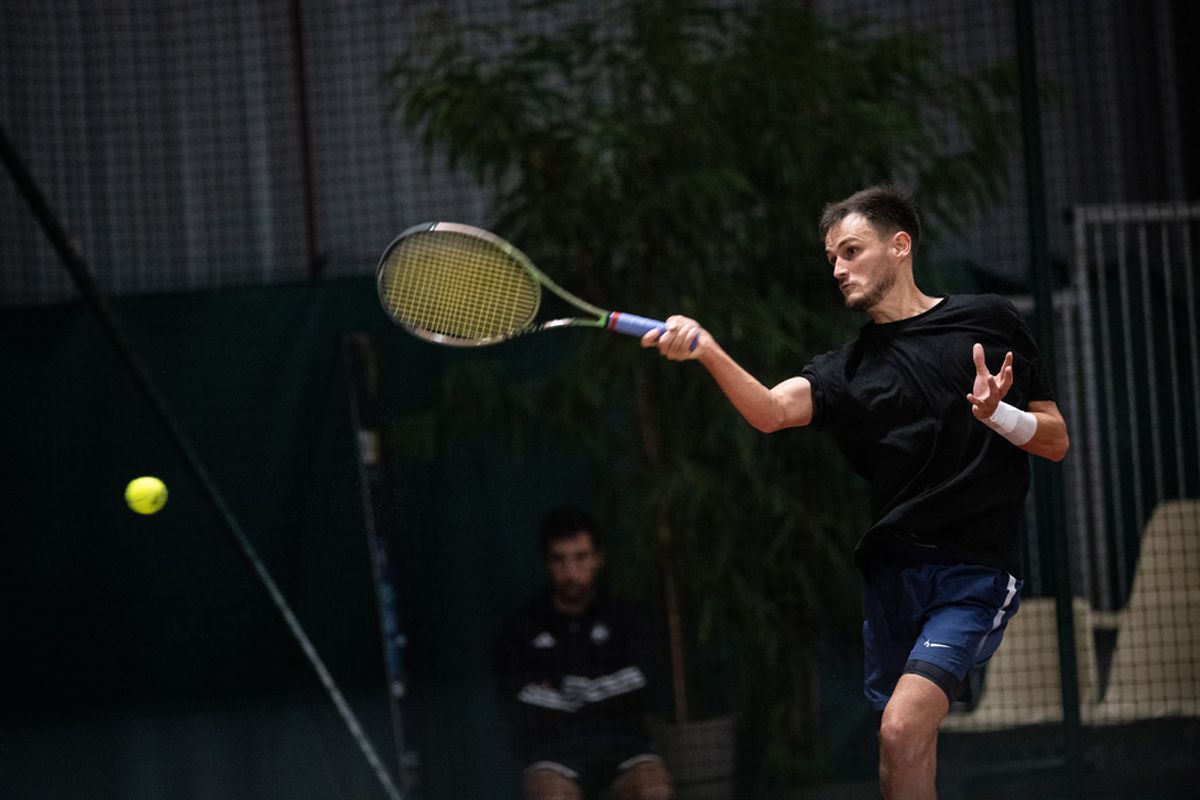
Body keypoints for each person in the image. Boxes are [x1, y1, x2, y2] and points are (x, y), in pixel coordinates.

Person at [641, 184, 1069, 800]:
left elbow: (1055, 440)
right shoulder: (846, 370)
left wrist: (1001, 416)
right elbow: (768, 412)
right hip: (892, 578)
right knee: (900, 752)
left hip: (974, 572)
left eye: (851, 251)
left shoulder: (987, 321)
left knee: (902, 728)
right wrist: (707, 350)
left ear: (900, 246)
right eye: (832, 260)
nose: (839, 270)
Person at [494, 506, 673, 800]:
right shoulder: (520, 629)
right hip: (554, 753)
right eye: (559, 560)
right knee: (549, 794)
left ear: (599, 558)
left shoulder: (627, 617)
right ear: (545, 563)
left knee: (652, 787)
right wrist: (606, 691)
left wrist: (566, 693)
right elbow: (520, 701)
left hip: (624, 746)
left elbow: (644, 682)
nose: (571, 572)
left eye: (581, 558)